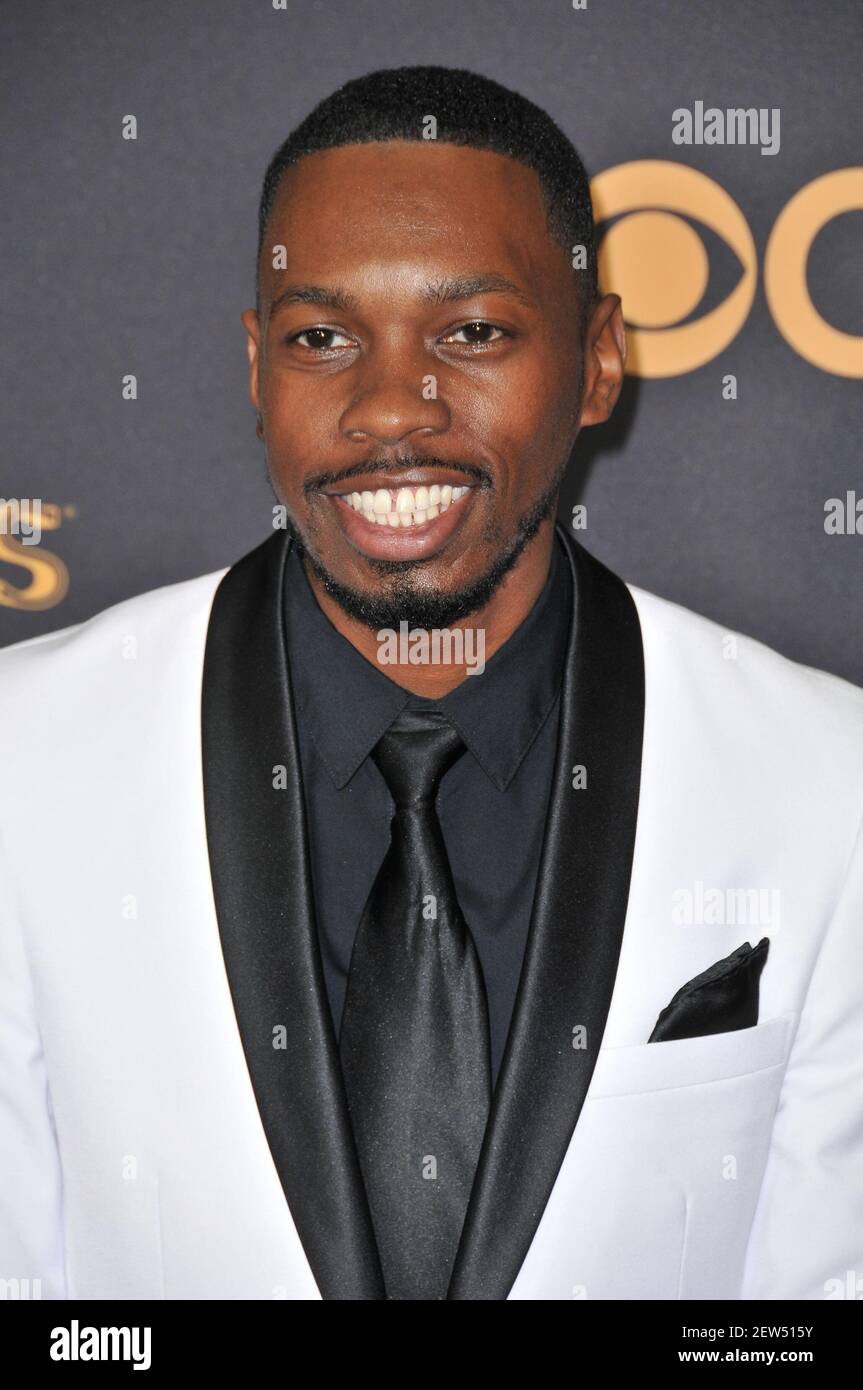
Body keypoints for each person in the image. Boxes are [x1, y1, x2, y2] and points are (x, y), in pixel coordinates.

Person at [1, 65, 861, 1302]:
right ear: (256, 367)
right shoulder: (22, 758)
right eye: (320, 337)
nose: (389, 409)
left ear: (599, 360)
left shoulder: (824, 781)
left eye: (471, 333)